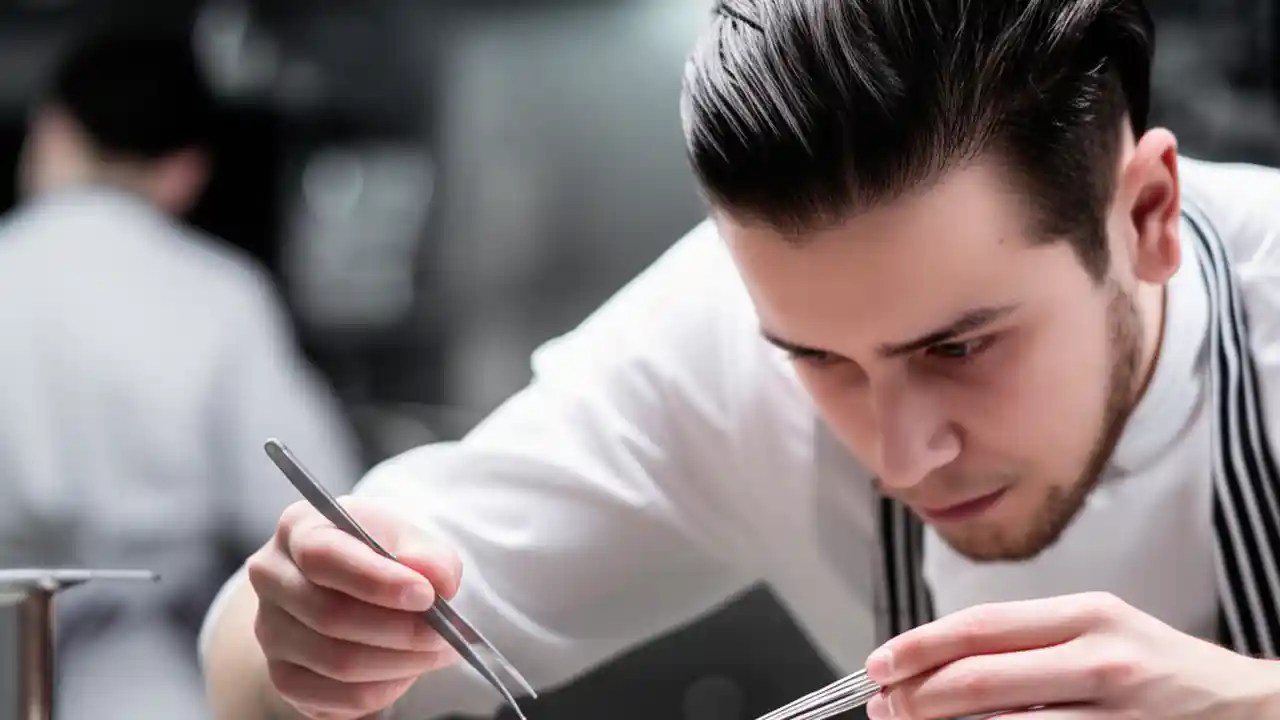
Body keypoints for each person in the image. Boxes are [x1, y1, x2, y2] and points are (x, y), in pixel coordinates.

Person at [201, 1, 1280, 718]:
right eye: (818, 362)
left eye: (959, 345)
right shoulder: (711, 337)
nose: (904, 452)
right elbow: (244, 665)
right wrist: (315, 630)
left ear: (1144, 213)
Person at [0, 28, 361, 720]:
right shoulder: (219, 293)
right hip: (141, 669)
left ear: (52, 131)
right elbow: (322, 509)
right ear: (184, 171)